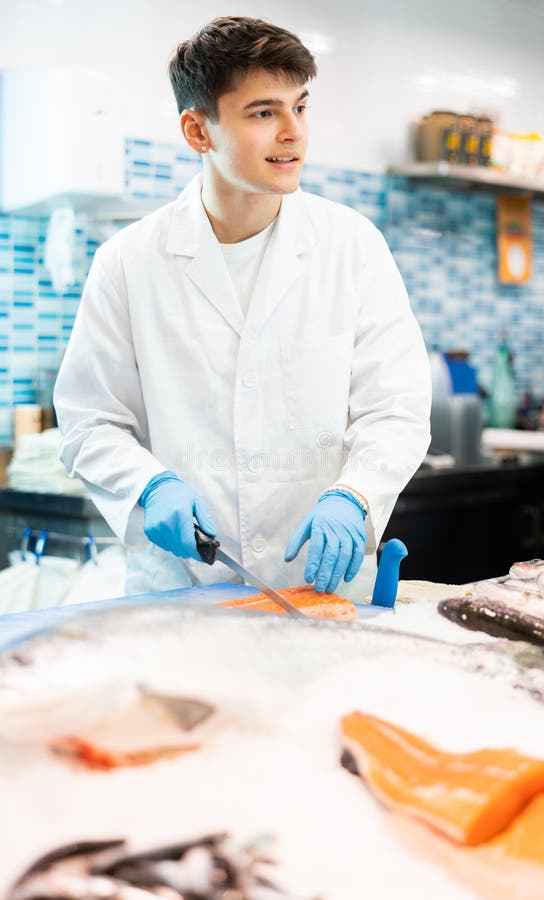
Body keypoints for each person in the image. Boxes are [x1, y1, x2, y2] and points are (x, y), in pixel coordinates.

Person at [54, 16, 431, 602]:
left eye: (299, 107)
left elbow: (397, 409)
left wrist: (354, 495)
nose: (294, 133)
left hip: (322, 590)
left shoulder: (352, 246)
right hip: (180, 591)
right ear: (197, 131)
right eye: (264, 113)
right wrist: (149, 486)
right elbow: (88, 421)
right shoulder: (127, 261)